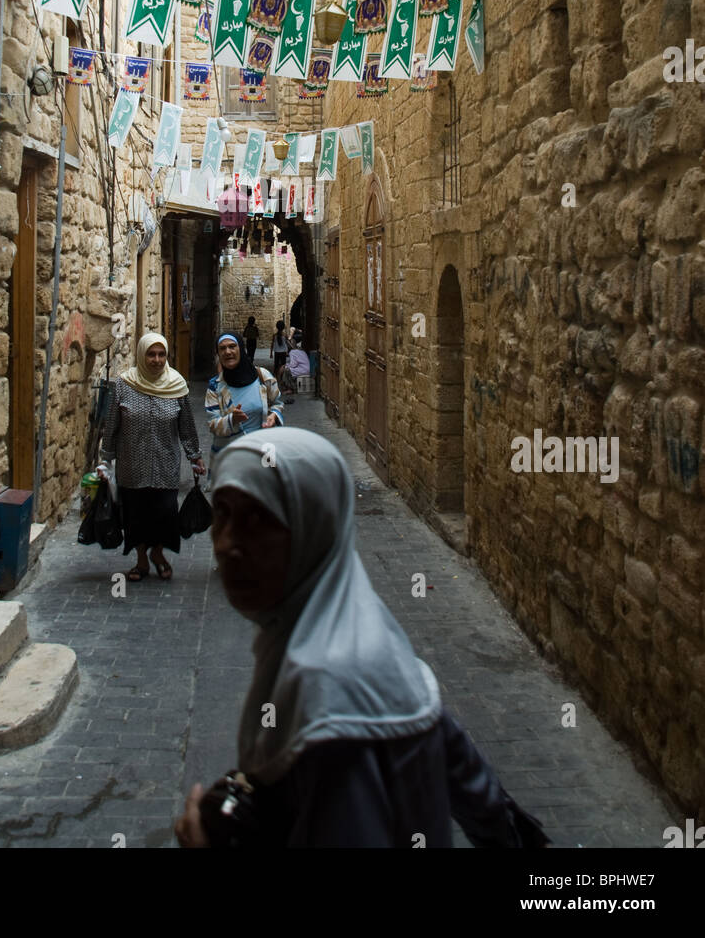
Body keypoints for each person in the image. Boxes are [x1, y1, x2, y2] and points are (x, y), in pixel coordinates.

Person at [174, 429, 550, 848]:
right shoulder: (375, 639)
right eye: (222, 513)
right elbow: (478, 794)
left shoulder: (329, 698)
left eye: (258, 520)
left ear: (314, 528)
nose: (227, 545)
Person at [101, 332, 205, 583]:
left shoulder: (177, 385)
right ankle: (141, 560)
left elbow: (187, 426)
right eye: (151, 354)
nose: (157, 360)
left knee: (164, 512)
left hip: (165, 464)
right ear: (141, 354)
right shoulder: (126, 384)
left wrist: (195, 456)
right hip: (131, 465)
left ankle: (158, 554)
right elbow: (112, 424)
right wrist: (106, 459)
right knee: (135, 514)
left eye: (161, 354)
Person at [205, 333, 283, 468]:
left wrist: (274, 415)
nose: (228, 352)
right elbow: (213, 424)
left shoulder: (262, 377)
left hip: (263, 453)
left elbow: (277, 403)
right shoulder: (215, 387)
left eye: (232, 346)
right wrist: (232, 420)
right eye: (222, 348)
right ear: (218, 353)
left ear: (241, 348)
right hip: (231, 458)